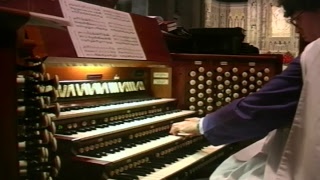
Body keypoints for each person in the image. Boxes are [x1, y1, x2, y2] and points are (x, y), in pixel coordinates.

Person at [169, 0, 320, 179]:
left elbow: (261, 108)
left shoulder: (315, 52)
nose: (297, 29)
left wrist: (203, 125)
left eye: (296, 19)